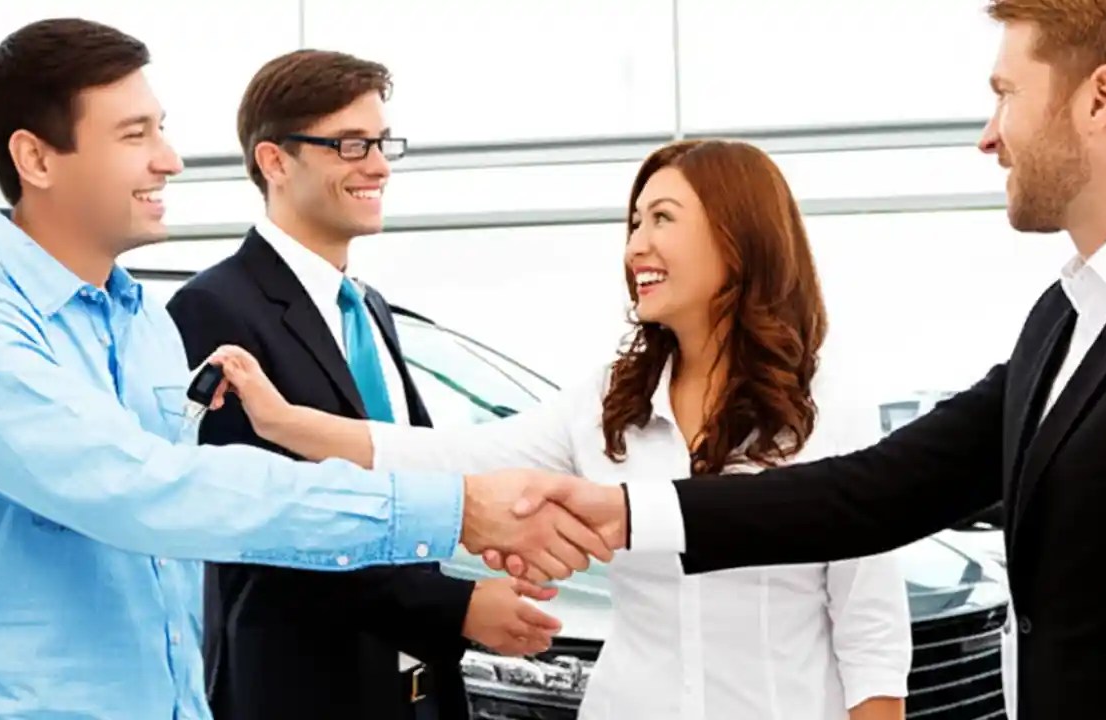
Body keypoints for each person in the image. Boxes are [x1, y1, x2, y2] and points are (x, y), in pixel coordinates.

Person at [0, 19, 609, 719]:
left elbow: (190, 553)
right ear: (36, 158)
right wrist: (449, 509)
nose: (171, 158)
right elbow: (152, 493)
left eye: (161, 128)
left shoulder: (146, 325)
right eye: (135, 134)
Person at [483, 2, 1106, 719]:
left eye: (1005, 95)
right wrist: (625, 512)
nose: (990, 138)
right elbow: (874, 492)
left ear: (1099, 98)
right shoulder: (1063, 320)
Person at [210, 139, 913, 720]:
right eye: (634, 223)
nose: (637, 244)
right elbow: (453, 454)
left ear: (740, 236)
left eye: (663, 219)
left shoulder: (827, 403)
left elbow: (871, 626)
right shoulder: (613, 401)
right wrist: (285, 421)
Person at [164, 49, 552, 720]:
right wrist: (457, 608)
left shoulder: (370, 310)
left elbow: (419, 478)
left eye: (381, 144)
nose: (378, 166)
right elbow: (265, 528)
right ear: (274, 161)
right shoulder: (212, 310)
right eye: (350, 145)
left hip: (416, 688)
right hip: (304, 690)